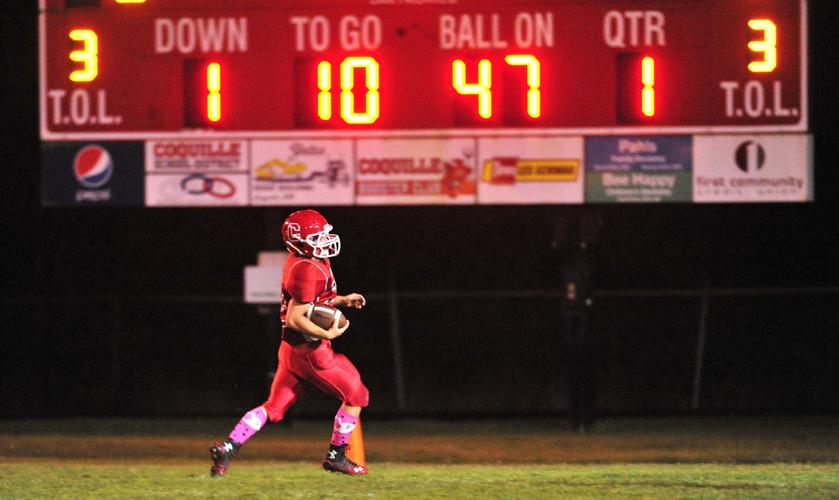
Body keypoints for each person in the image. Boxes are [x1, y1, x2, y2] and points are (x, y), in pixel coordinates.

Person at [210, 209, 369, 476]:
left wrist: (341, 300)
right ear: (300, 241)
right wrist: (327, 334)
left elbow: (314, 302)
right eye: (318, 236)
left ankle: (229, 445)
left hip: (291, 350)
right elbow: (296, 317)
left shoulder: (310, 259)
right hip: (311, 353)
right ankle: (336, 456)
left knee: (274, 408)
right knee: (357, 395)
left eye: (324, 234)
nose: (325, 240)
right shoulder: (307, 268)